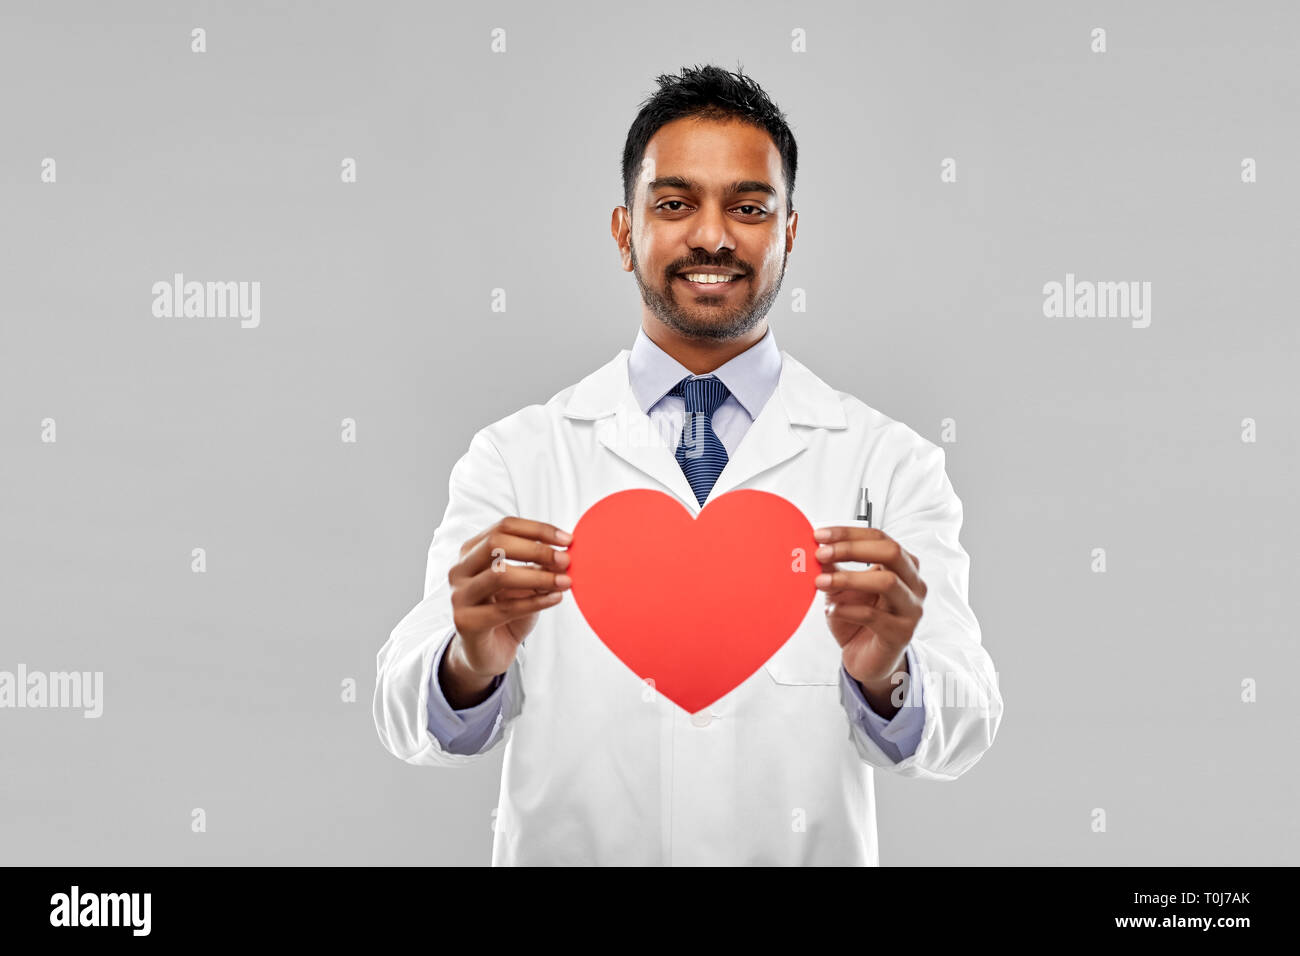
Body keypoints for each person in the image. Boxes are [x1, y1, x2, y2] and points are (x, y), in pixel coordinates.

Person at [373, 64, 1003, 865]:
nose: (712, 236)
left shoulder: (889, 462)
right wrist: (469, 662)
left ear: (789, 232)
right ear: (624, 231)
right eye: (674, 204)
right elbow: (403, 712)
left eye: (748, 207)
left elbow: (967, 721)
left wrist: (889, 676)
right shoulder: (518, 456)